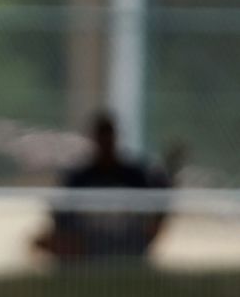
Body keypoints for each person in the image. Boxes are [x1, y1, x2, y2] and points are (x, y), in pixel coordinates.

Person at [33, 109, 172, 261]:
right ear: (94, 139)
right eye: (101, 136)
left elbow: (155, 213)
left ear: (115, 137)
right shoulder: (78, 177)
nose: (105, 142)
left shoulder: (135, 175)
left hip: (127, 244)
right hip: (86, 245)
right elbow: (61, 218)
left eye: (109, 136)